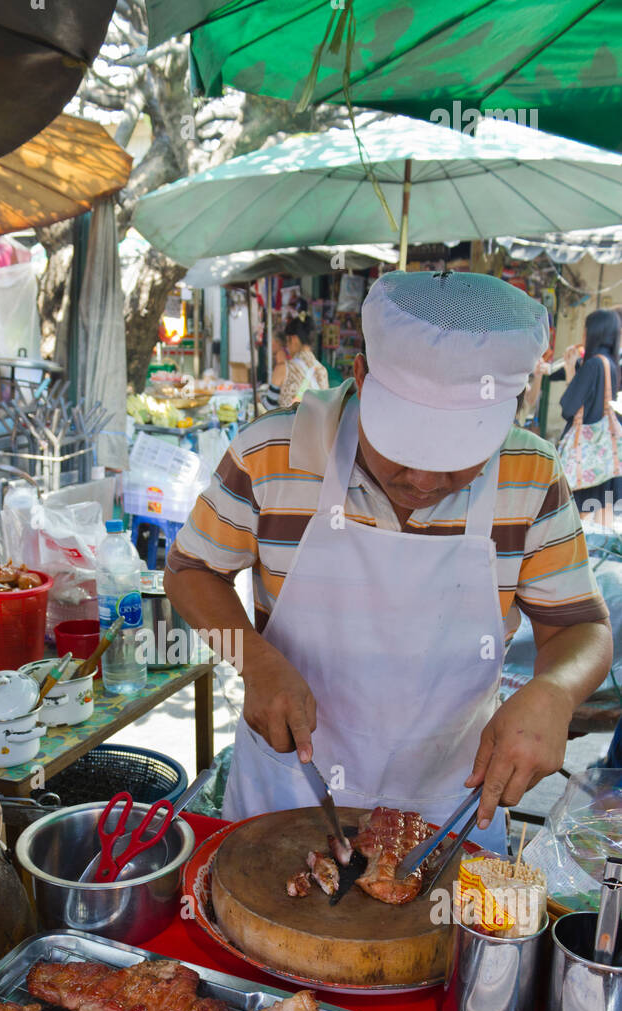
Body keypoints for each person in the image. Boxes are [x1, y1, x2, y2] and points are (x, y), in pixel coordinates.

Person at [164, 272, 612, 853]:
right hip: (290, 793)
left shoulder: (532, 476)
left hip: (449, 808)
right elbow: (191, 570)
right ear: (360, 377)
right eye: (401, 445)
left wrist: (556, 690)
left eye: (457, 455)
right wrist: (253, 659)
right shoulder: (272, 454)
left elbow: (582, 628)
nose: (422, 480)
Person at [542, 309, 622, 523]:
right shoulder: (611, 364)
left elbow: (569, 407)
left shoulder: (594, 364)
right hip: (601, 455)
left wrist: (570, 370)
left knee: (575, 517)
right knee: (601, 517)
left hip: (585, 453)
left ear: (593, 332)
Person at [278, 300, 328, 409]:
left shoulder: (285, 368)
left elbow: (269, 408)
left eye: (287, 341)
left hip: (289, 426)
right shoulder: (322, 371)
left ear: (294, 339)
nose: (287, 346)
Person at [260, 332, 289, 412]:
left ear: (277, 342)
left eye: (271, 341)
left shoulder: (281, 361)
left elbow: (270, 404)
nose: (270, 345)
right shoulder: (285, 356)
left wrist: (260, 398)